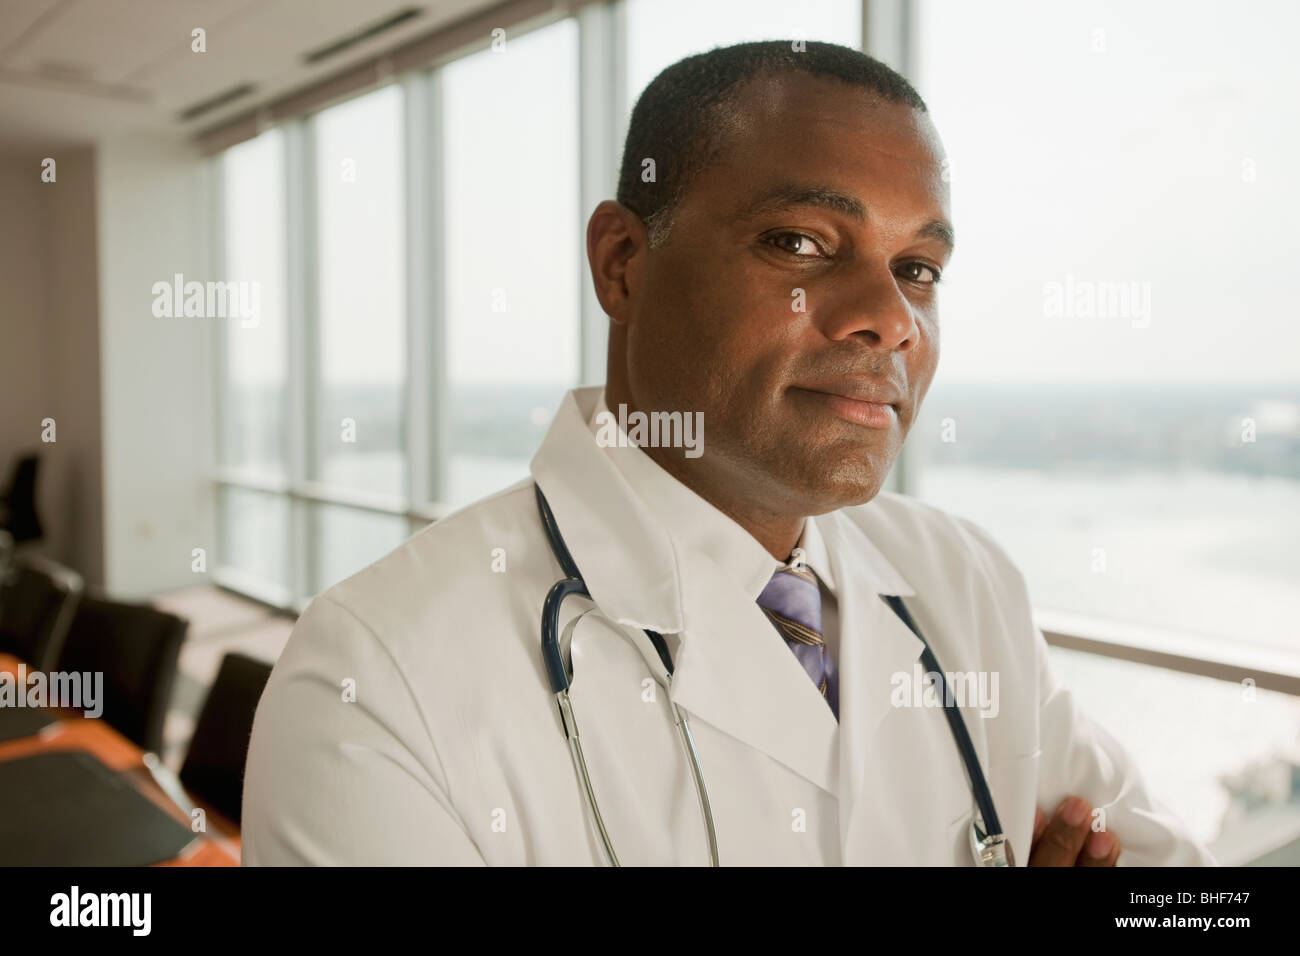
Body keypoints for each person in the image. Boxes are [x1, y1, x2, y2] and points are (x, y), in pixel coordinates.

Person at [241, 40, 1215, 866]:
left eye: (917, 267)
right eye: (798, 242)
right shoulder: (377, 680)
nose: (888, 316)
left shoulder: (961, 582)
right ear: (622, 262)